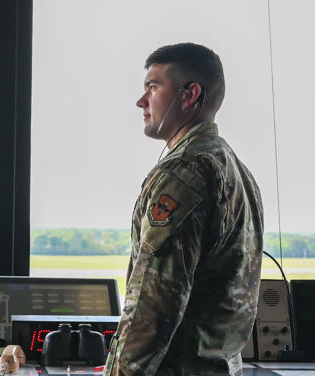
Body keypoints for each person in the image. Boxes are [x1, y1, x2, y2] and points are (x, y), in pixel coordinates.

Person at [104, 43, 264, 376]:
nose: (141, 101)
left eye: (153, 86)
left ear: (189, 94)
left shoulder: (184, 172)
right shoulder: (239, 172)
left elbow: (153, 305)